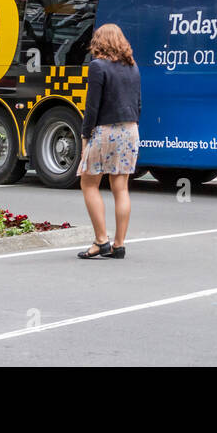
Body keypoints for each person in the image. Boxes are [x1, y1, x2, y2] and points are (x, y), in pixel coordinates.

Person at [77, 23, 142, 259]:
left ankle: (100, 240)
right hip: (130, 129)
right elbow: (138, 104)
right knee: (121, 187)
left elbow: (91, 107)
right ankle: (119, 244)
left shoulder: (97, 67)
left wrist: (85, 137)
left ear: (99, 42)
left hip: (106, 131)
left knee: (89, 183)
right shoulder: (133, 67)